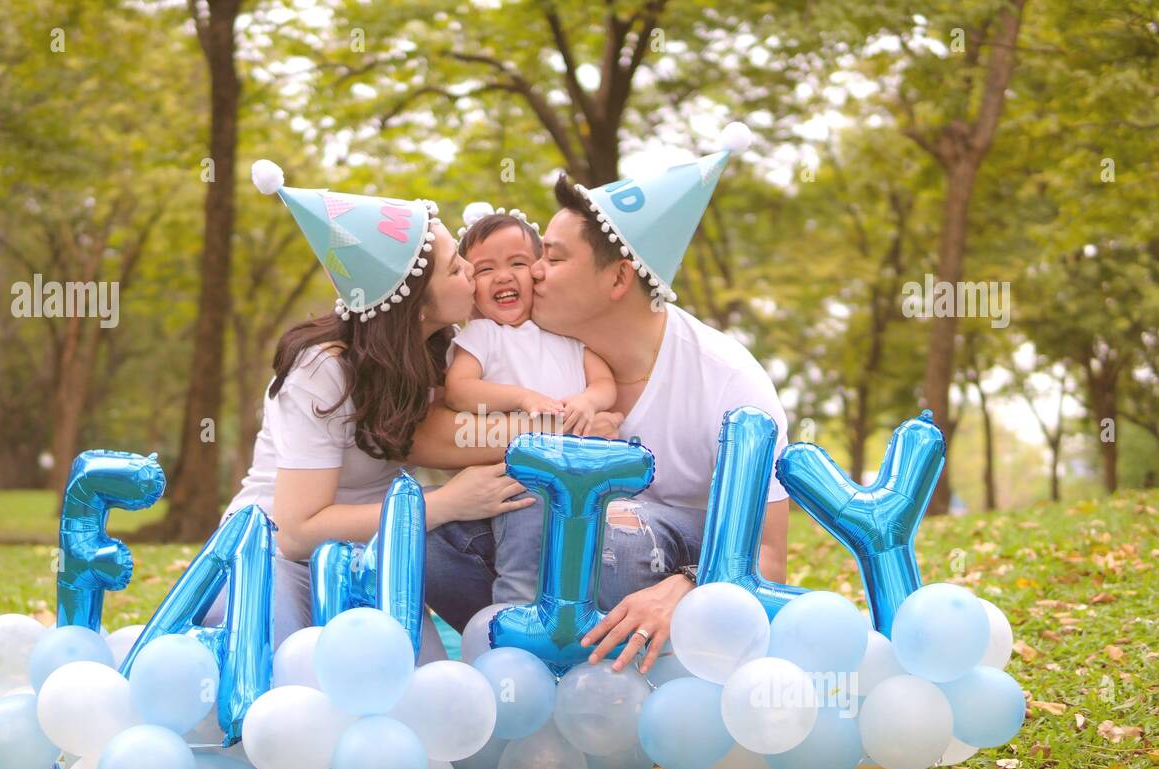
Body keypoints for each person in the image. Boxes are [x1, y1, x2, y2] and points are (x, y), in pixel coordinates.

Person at [426, 123, 790, 675]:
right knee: (435, 542)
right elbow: (426, 434)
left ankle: (592, 663)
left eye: (551, 258)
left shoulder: (729, 382)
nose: (533, 273)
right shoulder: (535, 347)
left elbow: (768, 556)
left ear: (619, 279)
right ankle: (529, 659)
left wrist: (684, 589)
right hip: (554, 561)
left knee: (608, 531)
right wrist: (550, 433)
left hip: (663, 560)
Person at [205, 161, 534, 658]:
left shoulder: (441, 353)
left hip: (377, 549)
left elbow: (466, 431)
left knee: (417, 689)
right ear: (418, 307)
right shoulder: (322, 371)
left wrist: (565, 420)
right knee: (290, 676)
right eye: (455, 268)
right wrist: (442, 505)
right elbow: (300, 531)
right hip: (271, 554)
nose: (470, 268)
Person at [443, 202, 617, 604]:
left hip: (582, 478)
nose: (502, 276)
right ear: (470, 285)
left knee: (582, 564)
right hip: (520, 481)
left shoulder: (564, 332)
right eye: (484, 269)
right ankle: (514, 619)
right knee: (523, 566)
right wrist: (520, 397)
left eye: (517, 263)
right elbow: (459, 389)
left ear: (538, 270)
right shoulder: (483, 335)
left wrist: (588, 401)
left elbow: (604, 382)